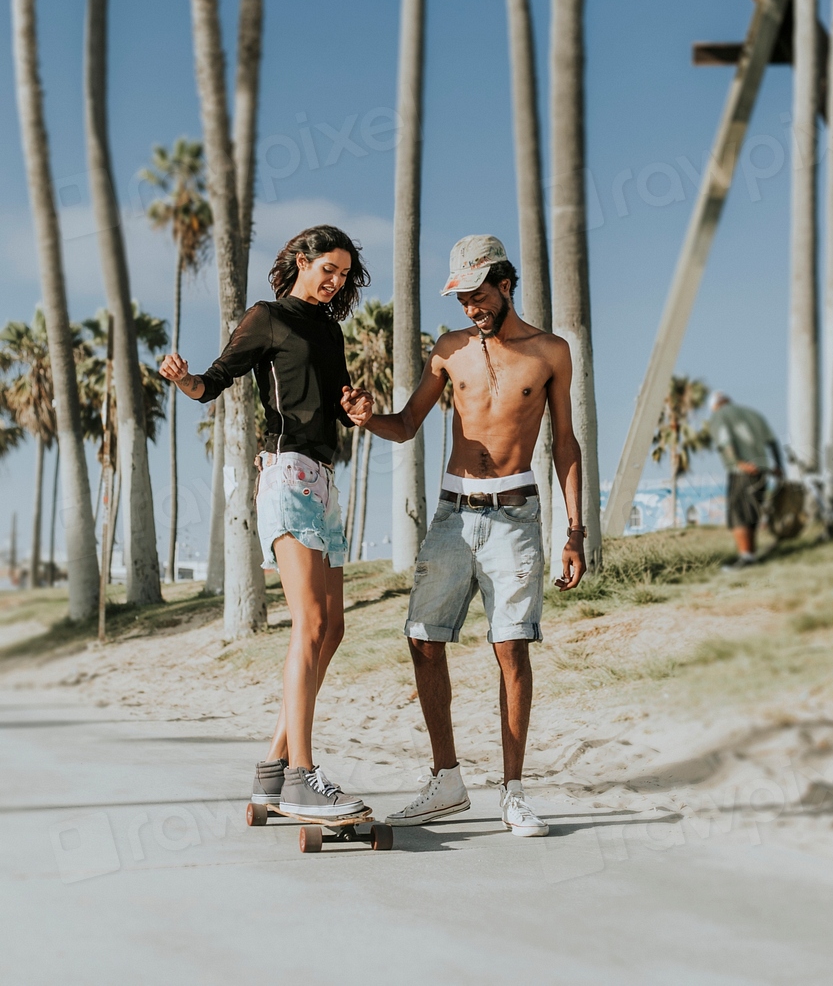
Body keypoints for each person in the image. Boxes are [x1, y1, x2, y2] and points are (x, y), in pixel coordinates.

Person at [361, 235, 585, 838]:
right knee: (423, 638)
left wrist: (575, 530)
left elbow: (564, 443)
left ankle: (513, 793)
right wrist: (366, 418)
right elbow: (406, 424)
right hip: (453, 515)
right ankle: (447, 779)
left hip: (515, 516)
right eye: (462, 298)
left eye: (479, 295)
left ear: (506, 284)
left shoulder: (551, 353)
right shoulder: (449, 351)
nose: (471, 308)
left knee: (511, 647)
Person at [159, 224, 373, 818]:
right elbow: (212, 383)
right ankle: (304, 775)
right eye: (327, 269)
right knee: (308, 624)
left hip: (324, 477)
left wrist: (355, 408)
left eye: (343, 275)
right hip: (288, 474)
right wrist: (183, 380)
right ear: (301, 260)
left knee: (333, 629)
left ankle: (273, 773)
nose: (335, 282)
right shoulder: (267, 317)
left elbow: (332, 405)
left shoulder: (329, 330)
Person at [707, 391, 782, 568]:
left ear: (715, 406)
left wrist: (739, 463)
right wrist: (779, 466)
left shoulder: (719, 416)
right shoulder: (753, 413)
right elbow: (772, 441)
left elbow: (724, 441)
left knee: (738, 514)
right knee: (752, 514)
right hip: (763, 470)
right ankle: (751, 555)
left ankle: (746, 558)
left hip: (743, 471)